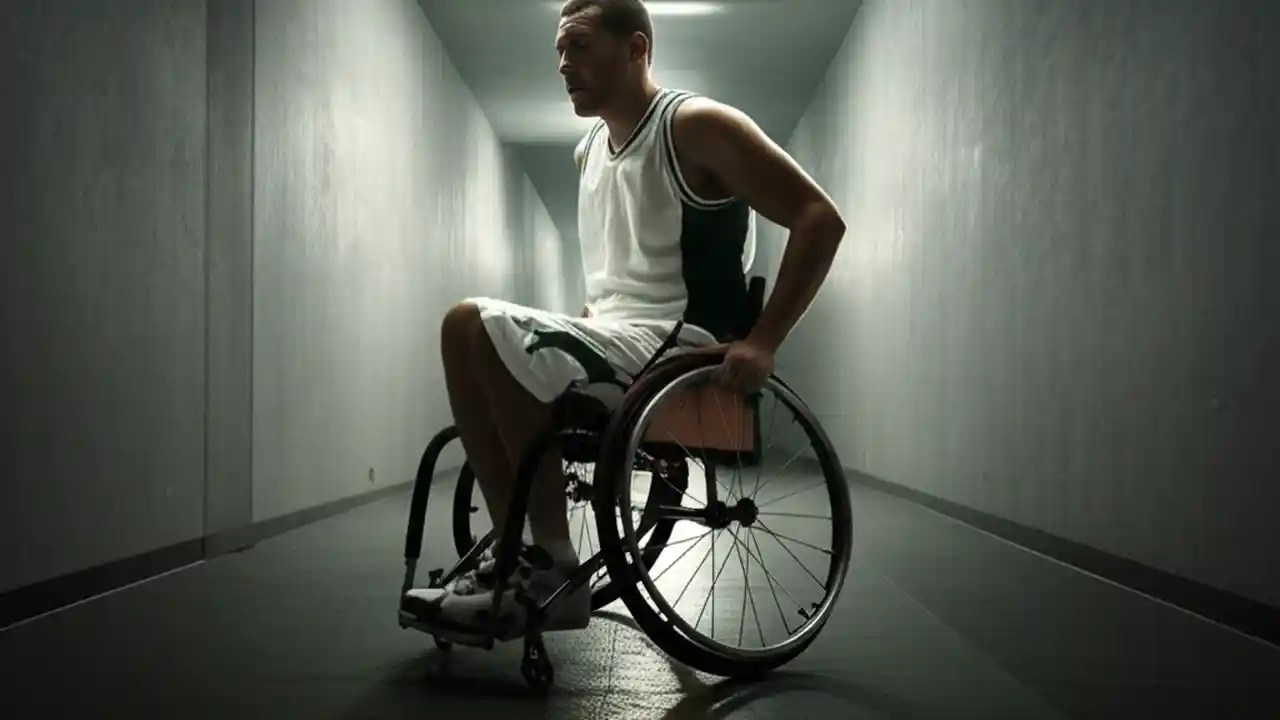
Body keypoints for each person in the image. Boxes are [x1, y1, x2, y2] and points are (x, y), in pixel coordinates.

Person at [402, 0, 845, 645]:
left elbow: (819, 219)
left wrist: (764, 341)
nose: (562, 64)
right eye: (559, 49)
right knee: (465, 335)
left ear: (637, 48)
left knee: (472, 321)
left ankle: (553, 564)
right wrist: (571, 327)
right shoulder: (590, 152)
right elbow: (615, 283)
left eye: (578, 46)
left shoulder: (694, 125)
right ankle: (518, 550)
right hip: (624, 338)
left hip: (681, 341)